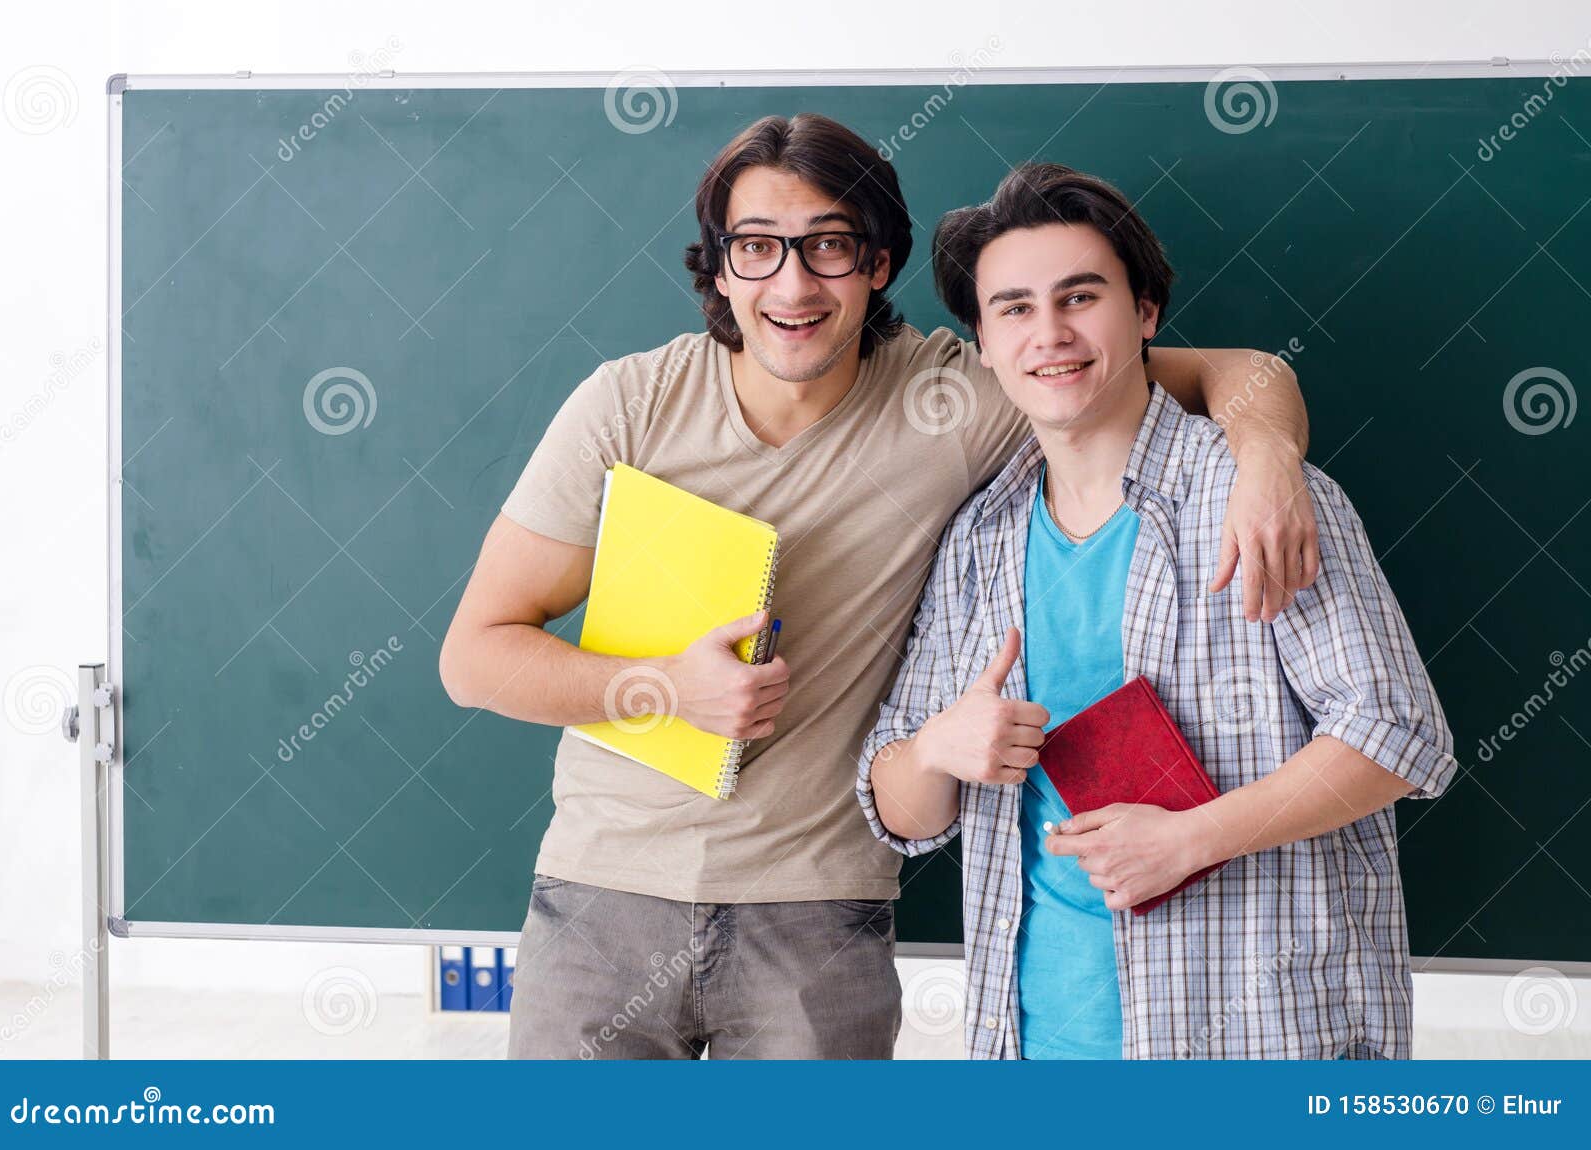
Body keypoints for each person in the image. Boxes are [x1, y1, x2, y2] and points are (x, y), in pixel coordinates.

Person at [440, 115, 1318, 1059]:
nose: (792, 283)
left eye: (828, 245)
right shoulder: (631, 403)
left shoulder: (960, 397)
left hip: (818, 914)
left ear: (879, 262)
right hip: (602, 898)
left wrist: (1268, 458)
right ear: (721, 268)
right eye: (757, 248)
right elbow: (474, 658)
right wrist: (658, 686)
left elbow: (1236, 373)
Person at [858, 162, 1456, 1060]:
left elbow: (1400, 734)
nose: (1049, 333)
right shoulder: (978, 538)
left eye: (1080, 297)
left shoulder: (1262, 499)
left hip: (1257, 1042)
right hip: (1025, 1047)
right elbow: (900, 811)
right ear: (982, 343)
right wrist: (940, 746)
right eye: (1014, 308)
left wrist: (1190, 840)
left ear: (1144, 315)